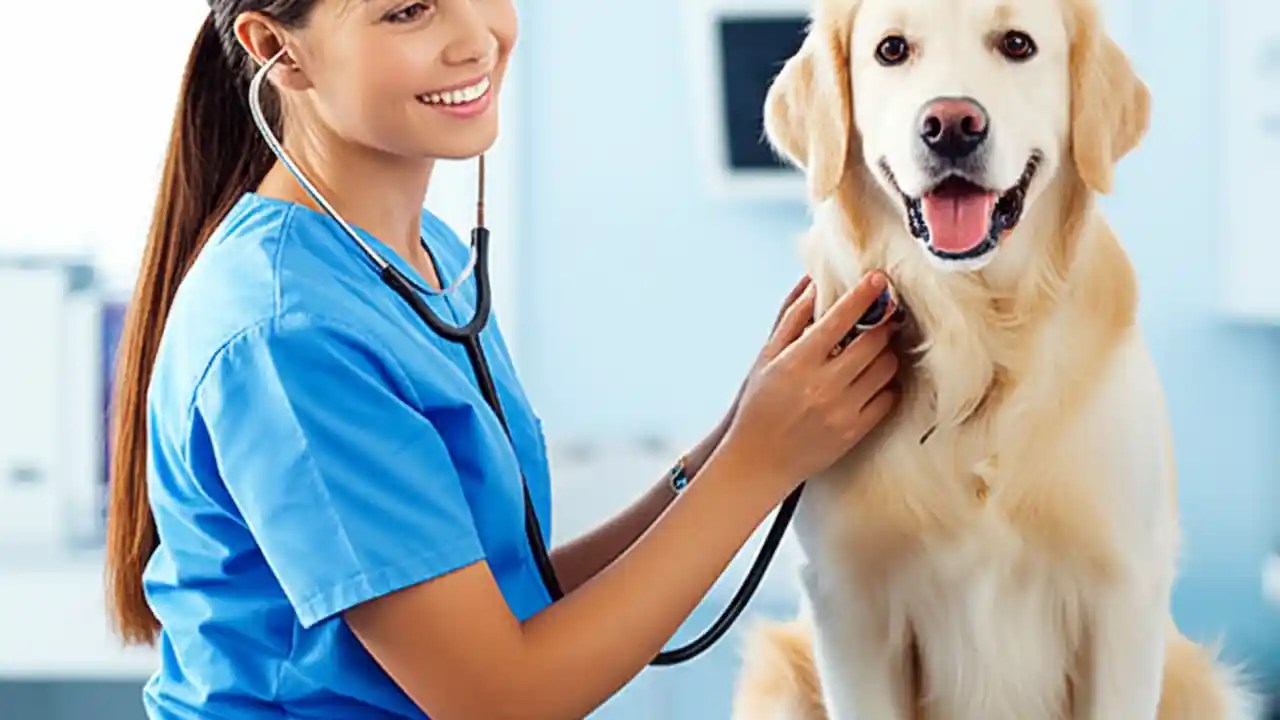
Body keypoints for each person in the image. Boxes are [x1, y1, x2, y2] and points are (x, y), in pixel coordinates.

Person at [104, 1, 903, 718]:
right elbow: (499, 696)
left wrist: (741, 433)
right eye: (409, 12)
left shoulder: (420, 259)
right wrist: (759, 462)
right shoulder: (288, 335)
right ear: (277, 49)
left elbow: (508, 602)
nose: (475, 38)